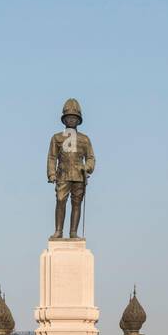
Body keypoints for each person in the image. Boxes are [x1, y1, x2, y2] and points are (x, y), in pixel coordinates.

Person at [47, 99, 96, 239]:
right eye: (69, 117)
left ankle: (73, 232)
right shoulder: (56, 138)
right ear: (64, 119)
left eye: (74, 118)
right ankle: (58, 230)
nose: (71, 120)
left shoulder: (84, 139)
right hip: (62, 174)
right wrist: (51, 174)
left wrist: (87, 168)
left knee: (77, 203)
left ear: (78, 120)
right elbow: (52, 157)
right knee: (60, 200)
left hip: (79, 176)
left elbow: (91, 157)